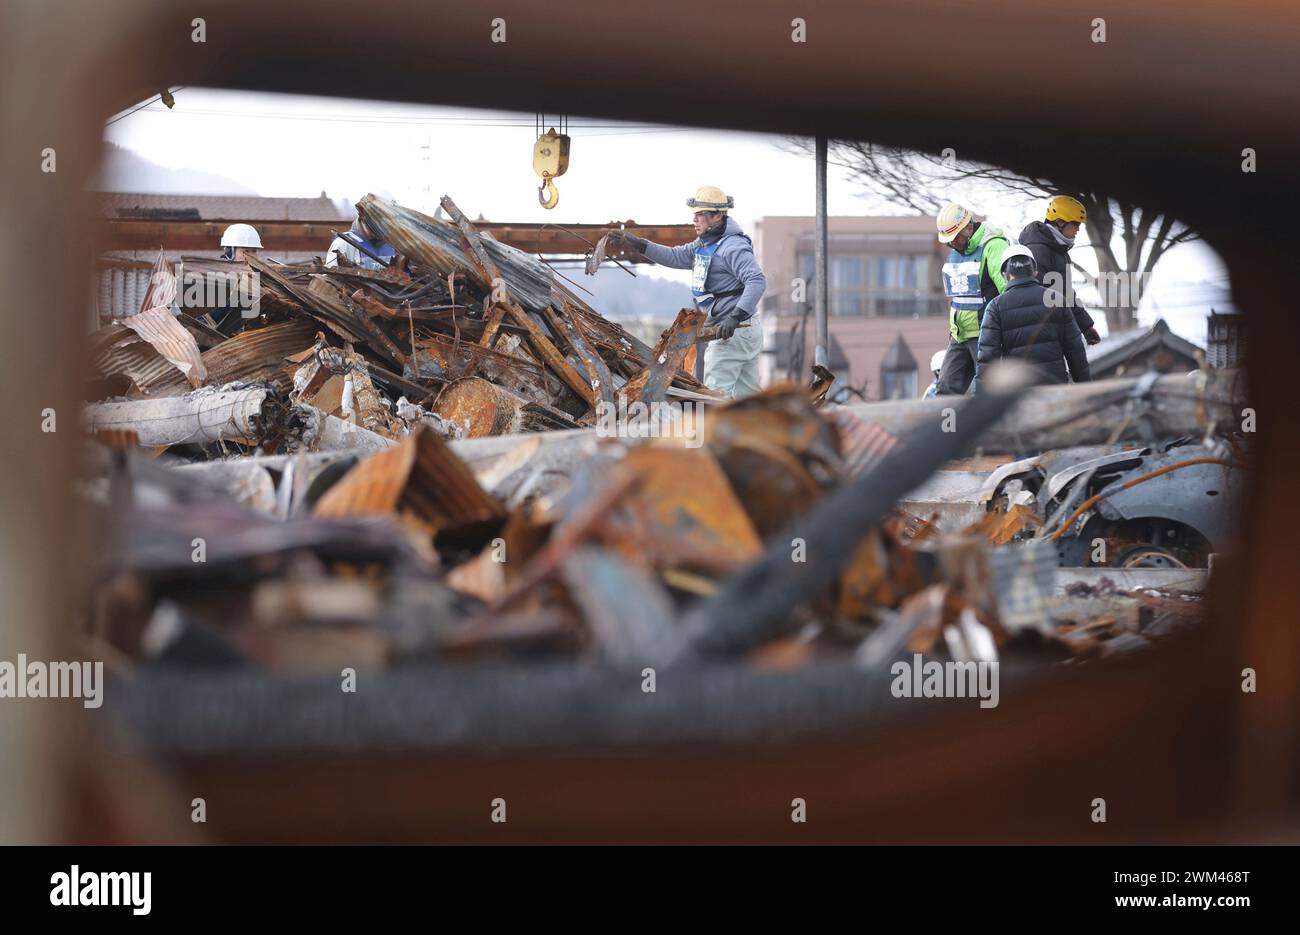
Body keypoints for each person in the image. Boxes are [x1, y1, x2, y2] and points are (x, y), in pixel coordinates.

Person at [608, 185, 766, 397]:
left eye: (701, 214)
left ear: (718, 216)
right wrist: (638, 243)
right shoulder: (705, 245)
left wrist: (735, 317)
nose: (695, 220)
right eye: (695, 214)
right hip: (742, 329)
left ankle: (717, 431)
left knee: (716, 395)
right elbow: (674, 256)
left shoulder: (732, 247)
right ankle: (766, 428)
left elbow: (756, 280)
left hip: (732, 331)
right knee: (750, 397)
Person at [972, 244, 1091, 393]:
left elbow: (987, 361)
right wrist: (1085, 388)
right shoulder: (1056, 299)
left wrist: (982, 401)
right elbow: (1075, 350)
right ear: (1034, 272)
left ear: (1005, 274)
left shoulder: (995, 307)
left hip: (1017, 393)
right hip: (1056, 388)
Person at [935, 203, 1009, 395]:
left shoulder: (994, 246)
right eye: (948, 241)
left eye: (955, 239)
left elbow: (1007, 291)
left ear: (968, 228)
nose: (952, 244)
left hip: (986, 335)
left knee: (987, 393)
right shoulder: (956, 252)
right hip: (959, 335)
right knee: (945, 389)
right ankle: (947, 426)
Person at [1019, 195, 1102, 345]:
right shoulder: (1038, 250)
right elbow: (1035, 298)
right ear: (1060, 222)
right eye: (1076, 224)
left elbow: (1065, 294)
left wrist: (1086, 326)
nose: (1078, 230)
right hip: (1038, 336)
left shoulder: (1059, 251)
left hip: (1053, 330)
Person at [326, 217, 396, 270]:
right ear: (362, 217)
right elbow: (330, 280)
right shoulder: (344, 244)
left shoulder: (395, 247)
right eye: (376, 220)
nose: (380, 227)